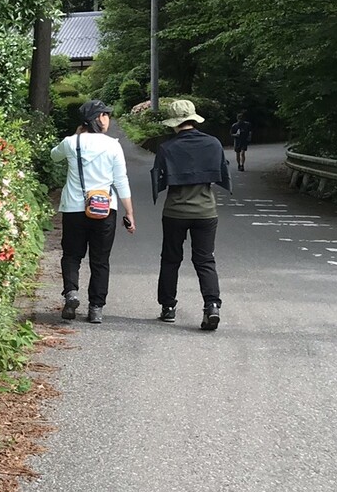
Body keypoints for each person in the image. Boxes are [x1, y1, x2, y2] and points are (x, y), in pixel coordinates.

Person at [50, 99, 136, 325]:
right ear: (98, 118)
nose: (108, 119)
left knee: (71, 255)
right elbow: (121, 180)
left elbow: (53, 155)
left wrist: (75, 136)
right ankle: (96, 308)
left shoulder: (71, 142)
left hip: (74, 209)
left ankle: (71, 293)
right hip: (105, 210)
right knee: (100, 259)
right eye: (106, 115)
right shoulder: (113, 145)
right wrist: (129, 212)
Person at [151, 99, 231, 330]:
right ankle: (212, 305)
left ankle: (168, 307)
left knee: (171, 259)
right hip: (206, 211)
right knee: (205, 260)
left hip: (175, 211)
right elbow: (222, 173)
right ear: (193, 119)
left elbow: (159, 179)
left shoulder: (167, 147)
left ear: (175, 123)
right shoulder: (213, 143)